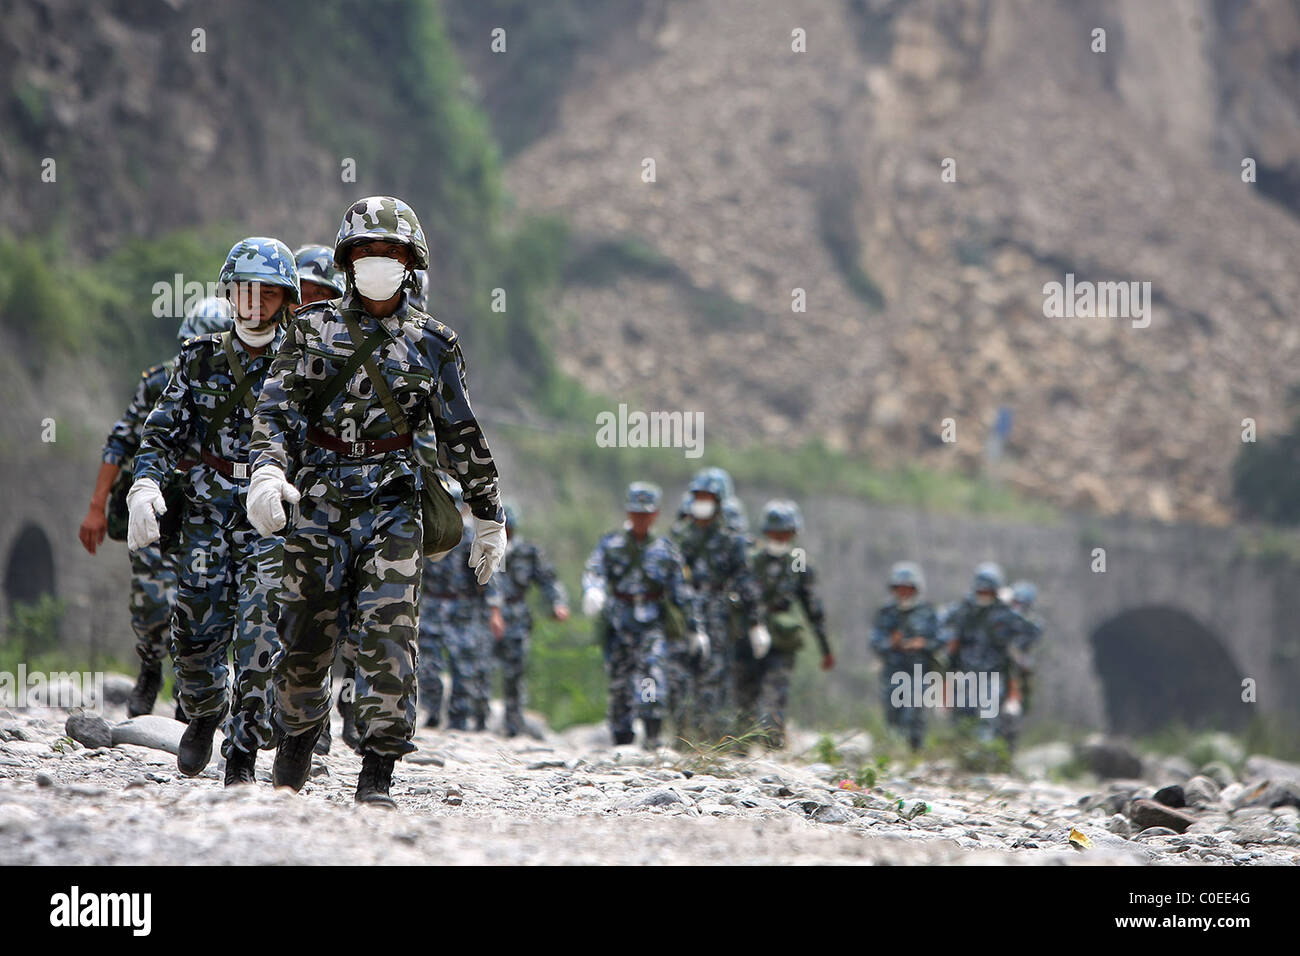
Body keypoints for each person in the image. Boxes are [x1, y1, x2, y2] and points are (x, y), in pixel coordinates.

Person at [245, 196, 506, 808]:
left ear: (411, 261)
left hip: (393, 502)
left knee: (390, 636)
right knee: (306, 632)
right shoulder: (310, 329)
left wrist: (489, 514)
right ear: (347, 260)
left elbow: (459, 433)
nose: (377, 262)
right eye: (366, 251)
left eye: (389, 252)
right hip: (317, 499)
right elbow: (276, 412)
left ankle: (378, 768)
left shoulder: (436, 344)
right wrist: (266, 472)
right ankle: (298, 734)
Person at [128, 239, 299, 785]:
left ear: (285, 299)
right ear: (231, 292)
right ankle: (202, 714)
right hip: (205, 513)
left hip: (270, 519)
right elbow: (161, 430)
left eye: (268, 293)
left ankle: (242, 755)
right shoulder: (199, 357)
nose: (256, 304)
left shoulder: (302, 362)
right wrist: (145, 483)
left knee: (259, 636)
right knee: (196, 636)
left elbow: (316, 443)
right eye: (246, 291)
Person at [80, 297, 233, 720]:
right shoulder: (159, 383)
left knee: (201, 601)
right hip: (154, 501)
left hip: (208, 505)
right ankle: (150, 667)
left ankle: (193, 692)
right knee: (150, 601)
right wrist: (97, 507)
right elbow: (121, 441)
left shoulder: (248, 379)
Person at [582, 482, 698, 749]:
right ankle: (622, 739)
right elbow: (594, 569)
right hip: (619, 622)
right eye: (636, 513)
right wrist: (593, 590)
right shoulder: (611, 545)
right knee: (621, 681)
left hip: (651, 624)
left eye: (646, 514)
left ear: (655, 515)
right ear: (628, 513)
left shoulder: (665, 550)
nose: (641, 519)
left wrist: (694, 629)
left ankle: (652, 733)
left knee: (650, 677)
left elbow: (681, 592)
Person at [671, 469, 764, 742]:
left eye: (708, 497)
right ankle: (680, 737)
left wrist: (756, 622)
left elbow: (746, 582)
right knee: (678, 675)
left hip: (717, 613)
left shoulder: (730, 539)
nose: (702, 502)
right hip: (682, 612)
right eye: (698, 496)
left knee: (713, 676)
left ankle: (706, 739)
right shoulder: (679, 535)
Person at [738, 500, 833, 749]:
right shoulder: (751, 560)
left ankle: (771, 745)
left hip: (782, 637)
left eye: (785, 532)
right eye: (775, 532)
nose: (779, 538)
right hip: (747, 634)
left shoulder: (798, 563)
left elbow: (812, 607)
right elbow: (744, 594)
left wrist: (825, 648)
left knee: (775, 692)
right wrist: (754, 624)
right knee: (745, 690)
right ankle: (741, 745)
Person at [493, 504, 568, 737]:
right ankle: (475, 720)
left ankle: (513, 724)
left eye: (509, 528)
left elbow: (548, 580)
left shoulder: (528, 551)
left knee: (515, 672)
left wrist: (557, 603)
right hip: (481, 616)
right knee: (476, 670)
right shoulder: (479, 548)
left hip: (516, 616)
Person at [940, 562, 1022, 747]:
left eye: (989, 591)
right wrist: (949, 639)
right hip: (964, 674)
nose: (984, 595)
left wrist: (1012, 606)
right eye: (981, 590)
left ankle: (985, 758)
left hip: (992, 674)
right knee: (962, 720)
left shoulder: (1004, 612)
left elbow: (1031, 630)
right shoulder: (964, 609)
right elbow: (940, 624)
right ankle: (965, 758)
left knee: (988, 720)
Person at [869, 561, 939, 751]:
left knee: (915, 710)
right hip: (892, 670)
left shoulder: (928, 612)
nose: (904, 593)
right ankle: (894, 750)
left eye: (908, 588)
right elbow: (875, 642)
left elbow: (939, 640)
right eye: (900, 589)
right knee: (893, 712)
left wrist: (922, 643)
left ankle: (915, 750)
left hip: (918, 671)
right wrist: (891, 643)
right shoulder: (886, 612)